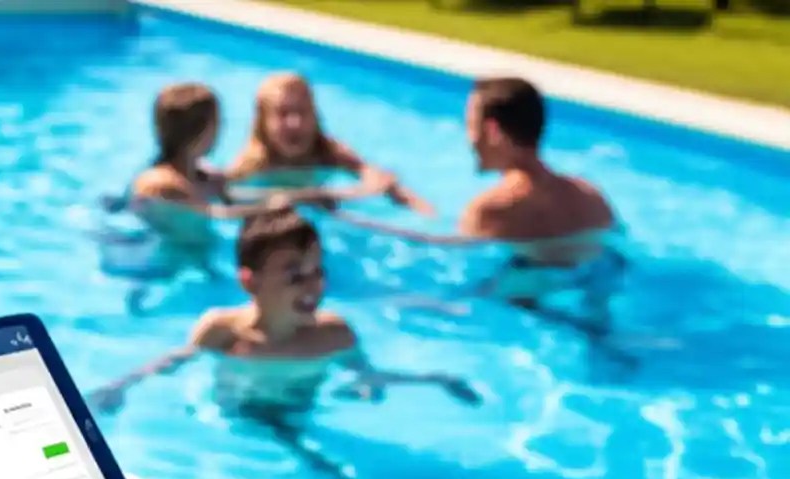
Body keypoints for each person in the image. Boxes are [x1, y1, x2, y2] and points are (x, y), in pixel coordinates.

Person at [87, 208, 480, 479]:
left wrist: (435, 380)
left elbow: (368, 374)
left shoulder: (333, 335)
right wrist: (120, 387)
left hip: (297, 410)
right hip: (235, 413)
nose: (312, 286)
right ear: (250, 281)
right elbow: (176, 361)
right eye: (294, 276)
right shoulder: (223, 331)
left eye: (317, 272)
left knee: (315, 457)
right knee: (310, 459)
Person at [334, 76, 626, 338]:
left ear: (492, 130)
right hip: (586, 296)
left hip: (525, 309)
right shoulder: (592, 195)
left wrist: (350, 220)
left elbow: (448, 256)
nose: (469, 138)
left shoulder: (493, 210)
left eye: (470, 125)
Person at [97, 82, 323, 311]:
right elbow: (217, 213)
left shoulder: (203, 174)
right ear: (202, 131)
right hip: (150, 261)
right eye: (217, 122)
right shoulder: (159, 183)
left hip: (192, 251)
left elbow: (235, 199)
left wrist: (300, 196)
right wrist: (274, 205)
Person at [225, 72, 436, 216]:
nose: (295, 123)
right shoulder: (255, 162)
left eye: (302, 112)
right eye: (283, 114)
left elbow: (372, 174)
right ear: (263, 123)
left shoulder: (327, 151)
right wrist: (310, 196)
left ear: (315, 116)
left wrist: (415, 206)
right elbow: (225, 196)